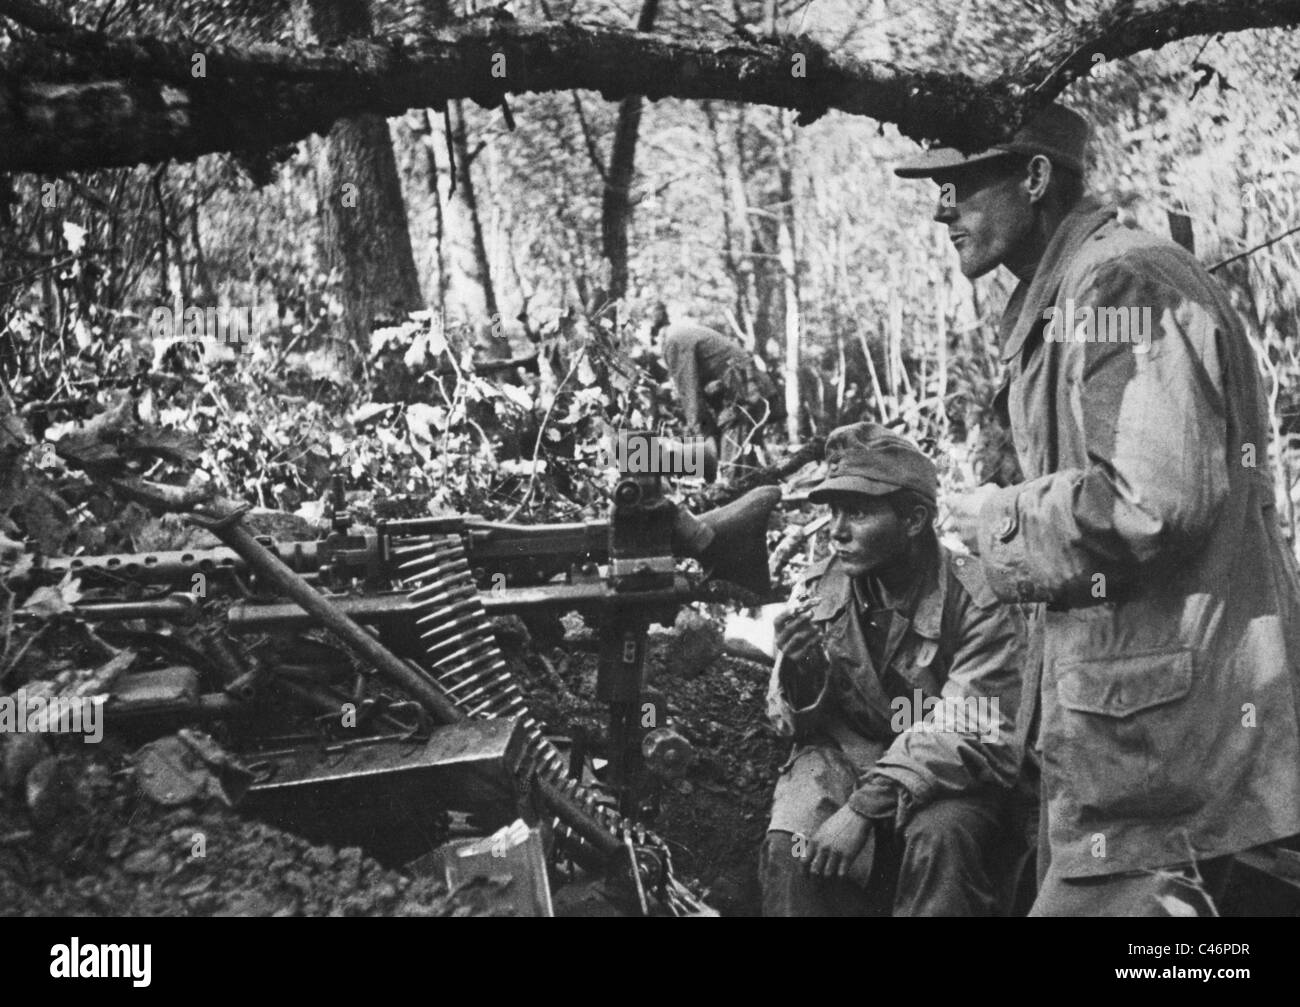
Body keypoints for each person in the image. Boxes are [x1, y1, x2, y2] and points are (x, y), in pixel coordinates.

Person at [895, 104, 1300, 915]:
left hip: (1174, 769)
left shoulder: (1123, 282)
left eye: (962, 185)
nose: (942, 208)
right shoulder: (1076, 292)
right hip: (1132, 758)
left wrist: (999, 521)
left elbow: (1154, 500)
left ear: (1036, 178)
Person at [762, 422, 1024, 916]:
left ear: (914, 520)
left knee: (941, 838)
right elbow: (790, 726)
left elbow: (971, 723)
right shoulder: (820, 590)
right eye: (834, 511)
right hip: (846, 757)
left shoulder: (979, 598)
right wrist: (802, 671)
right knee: (792, 845)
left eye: (858, 512)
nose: (837, 531)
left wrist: (864, 806)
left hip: (947, 774)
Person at [649, 305, 777, 471]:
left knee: (733, 465)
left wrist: (701, 434)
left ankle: (732, 489)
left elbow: (689, 392)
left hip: (741, 394)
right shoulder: (689, 334)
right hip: (749, 388)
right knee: (748, 462)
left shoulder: (674, 343)